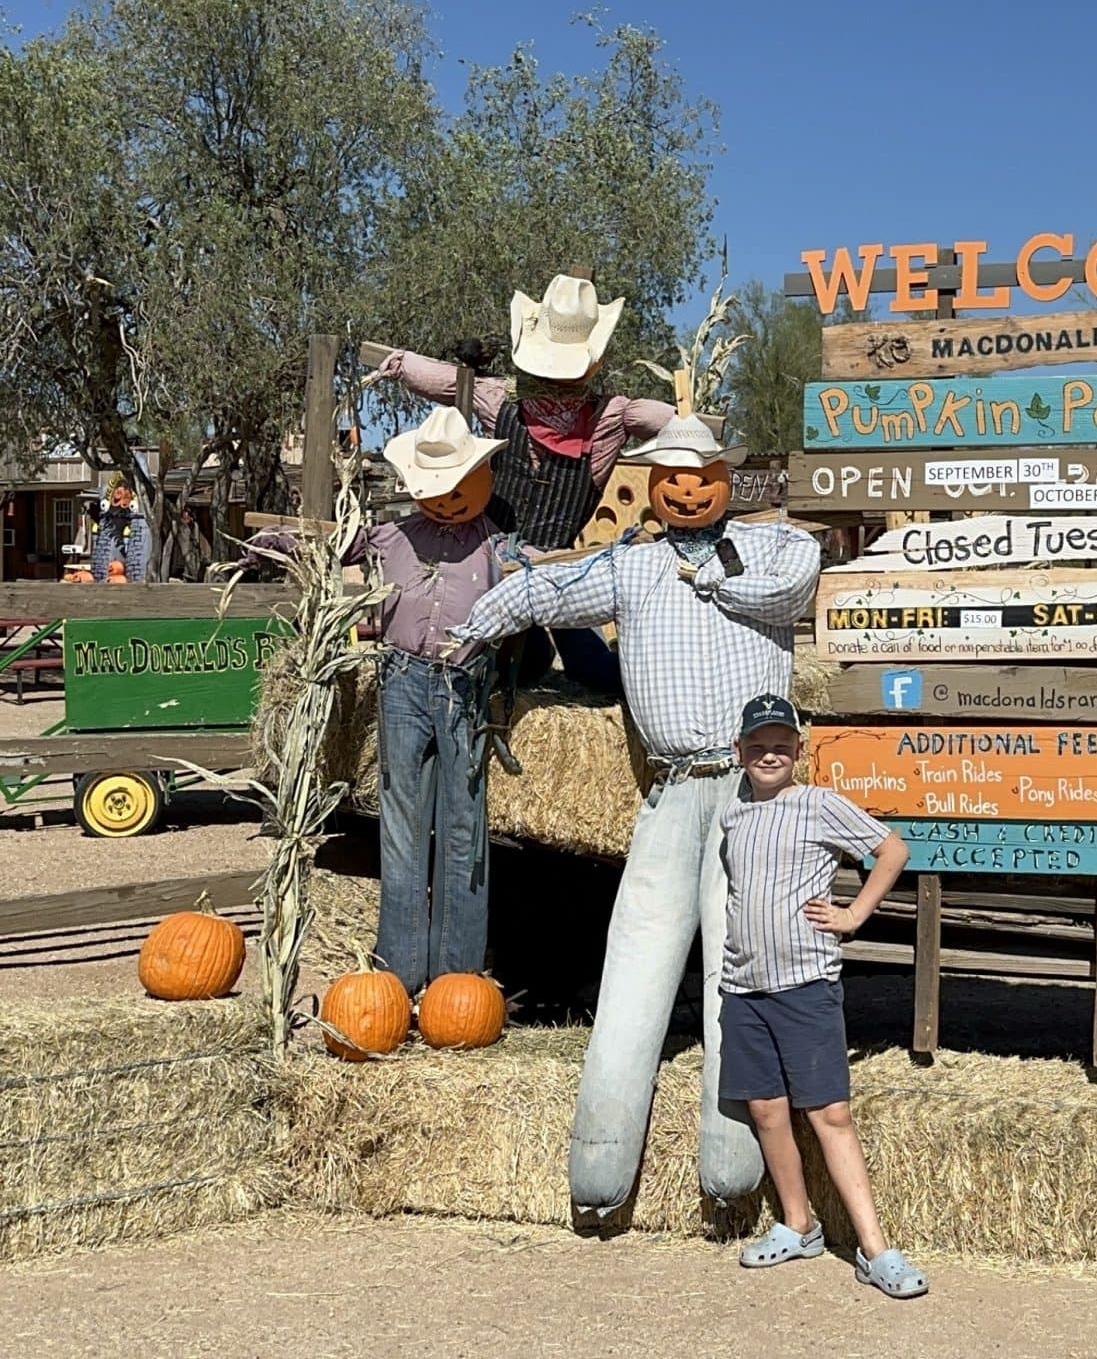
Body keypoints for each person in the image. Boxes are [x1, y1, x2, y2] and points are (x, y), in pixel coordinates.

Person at [451, 407, 821, 1218]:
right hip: (671, 788)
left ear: (725, 479)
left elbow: (795, 582)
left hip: (754, 794)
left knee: (746, 974)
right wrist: (475, 625)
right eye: (672, 478)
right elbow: (550, 589)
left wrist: (711, 577)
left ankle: (732, 1171)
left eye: (701, 477)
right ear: (652, 484)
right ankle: (600, 1172)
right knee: (635, 971)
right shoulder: (633, 567)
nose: (687, 490)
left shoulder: (773, 545)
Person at [250, 407, 507, 992]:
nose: (444, 499)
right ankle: (400, 970)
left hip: (468, 685)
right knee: (402, 822)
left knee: (464, 824)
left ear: (481, 478)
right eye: (433, 488)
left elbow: (552, 583)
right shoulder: (389, 537)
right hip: (403, 680)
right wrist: (270, 544)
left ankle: (457, 977)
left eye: (455, 486)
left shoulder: (500, 547)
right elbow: (323, 545)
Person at [370, 272, 677, 693]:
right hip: (490, 567)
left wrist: (691, 422)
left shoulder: (610, 416)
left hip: (555, 571)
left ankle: (640, 684)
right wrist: (400, 364)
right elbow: (446, 381)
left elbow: (673, 422)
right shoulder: (498, 398)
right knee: (503, 660)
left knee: (593, 669)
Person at [716, 693, 927, 1299]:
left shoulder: (818, 804)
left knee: (829, 1114)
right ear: (740, 752)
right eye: (757, 745)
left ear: (798, 752)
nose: (769, 754)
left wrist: (854, 914)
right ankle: (797, 1224)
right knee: (765, 1110)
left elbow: (892, 850)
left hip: (805, 985)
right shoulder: (732, 816)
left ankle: (876, 1250)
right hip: (744, 987)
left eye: (781, 744)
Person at [89, 474, 151, 583]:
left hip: (128, 570)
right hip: (113, 570)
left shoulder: (139, 518)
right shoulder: (107, 518)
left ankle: (135, 573)